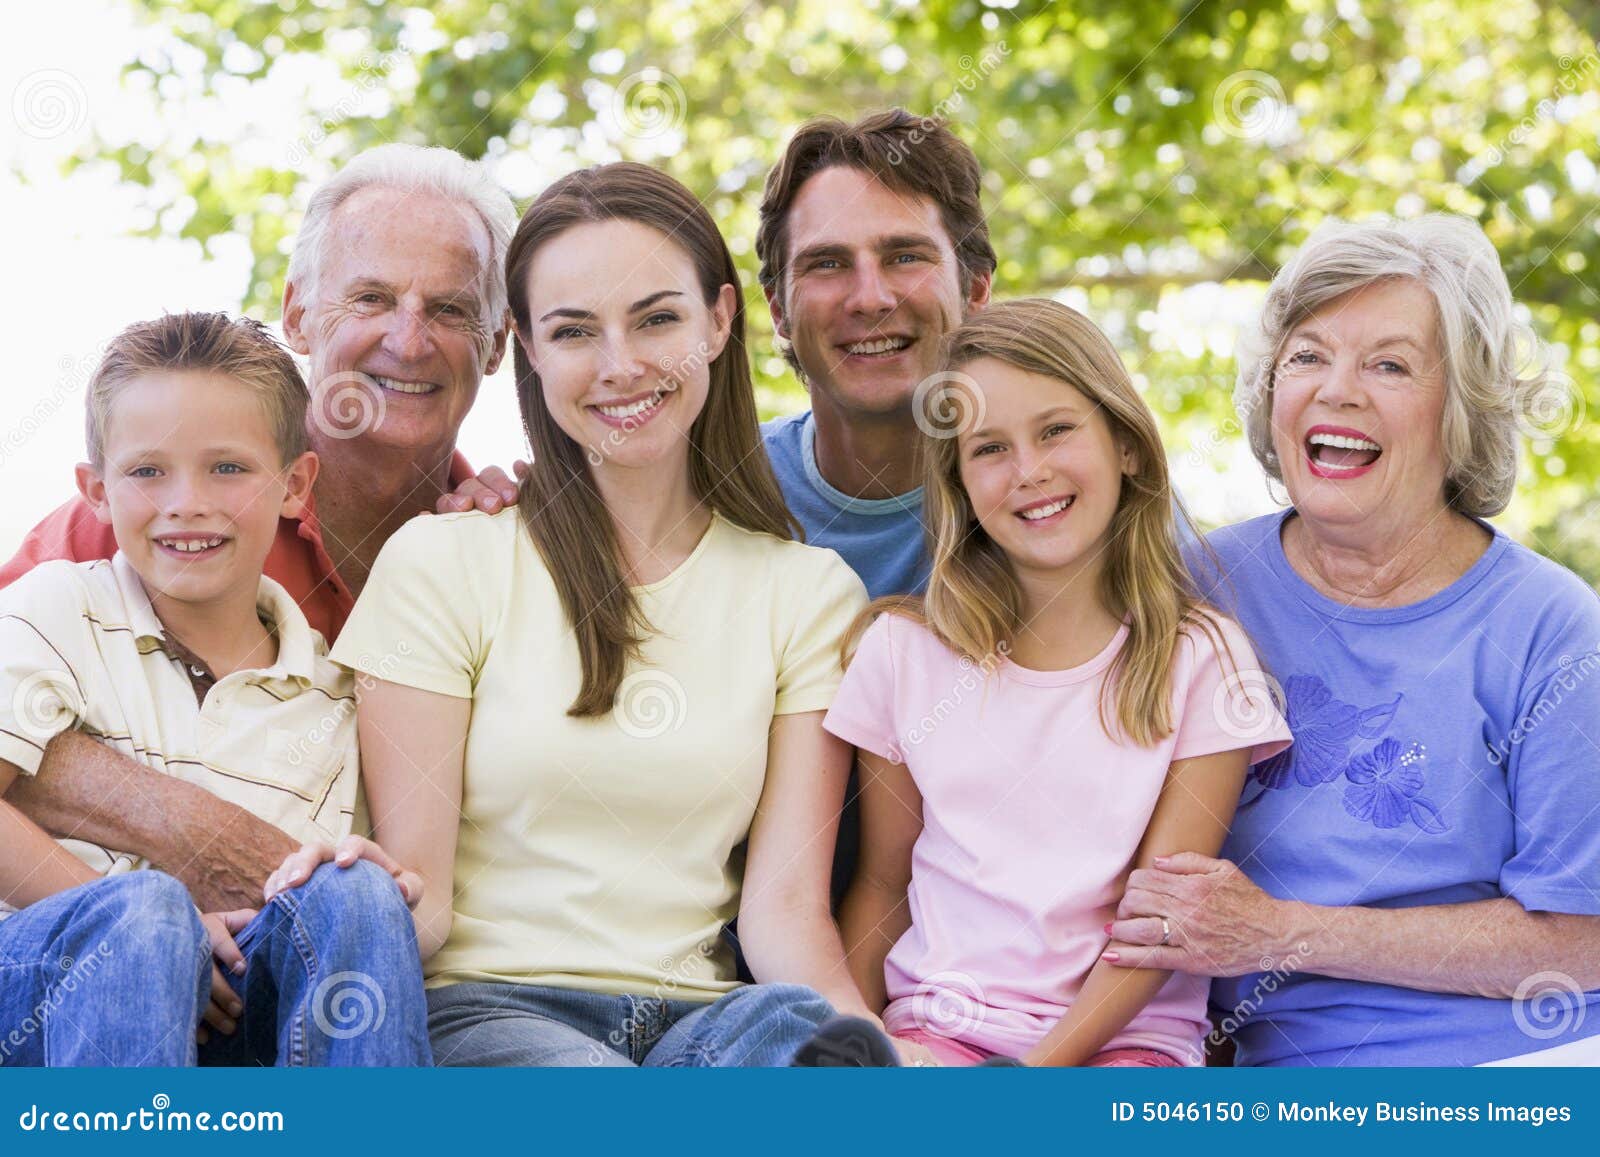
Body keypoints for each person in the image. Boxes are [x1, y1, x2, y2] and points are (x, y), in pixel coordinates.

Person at [268, 162, 882, 1067]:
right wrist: (337, 897)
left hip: (707, 1027)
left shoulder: (810, 592)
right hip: (488, 1016)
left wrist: (888, 1058)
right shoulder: (446, 562)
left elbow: (785, 916)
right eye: (574, 331)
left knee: (804, 1044)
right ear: (527, 348)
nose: (620, 365)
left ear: (719, 320)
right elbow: (422, 900)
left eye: (657, 318)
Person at [1109, 214, 1600, 1066]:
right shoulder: (1193, 590)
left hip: (1529, 1068)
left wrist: (1279, 933)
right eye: (1307, 355)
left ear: (1462, 409)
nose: (1338, 390)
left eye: (1390, 364)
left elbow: (1580, 938)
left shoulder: (1553, 628)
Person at [1, 145, 519, 914]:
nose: (409, 341)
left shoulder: (504, 555)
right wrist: (196, 835)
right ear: (298, 314)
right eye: (371, 298)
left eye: (449, 309)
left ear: (500, 341)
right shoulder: (141, 519)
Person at [820, 298, 1289, 1066]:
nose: (1029, 470)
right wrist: (855, 1039)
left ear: (1126, 446)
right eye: (989, 449)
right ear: (960, 483)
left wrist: (1032, 1079)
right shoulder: (903, 653)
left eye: (1056, 429)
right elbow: (882, 885)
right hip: (938, 1028)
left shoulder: (1203, 661)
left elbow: (1159, 925)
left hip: (1125, 1043)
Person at [0, 312, 431, 1065]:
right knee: (146, 915)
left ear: (295, 484)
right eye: (147, 471)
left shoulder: (333, 692)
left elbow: (315, 915)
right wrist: (161, 930)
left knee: (355, 888)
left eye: (227, 468)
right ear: (95, 490)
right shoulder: (56, 607)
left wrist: (353, 873)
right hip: (46, 996)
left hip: (234, 1010)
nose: (186, 501)